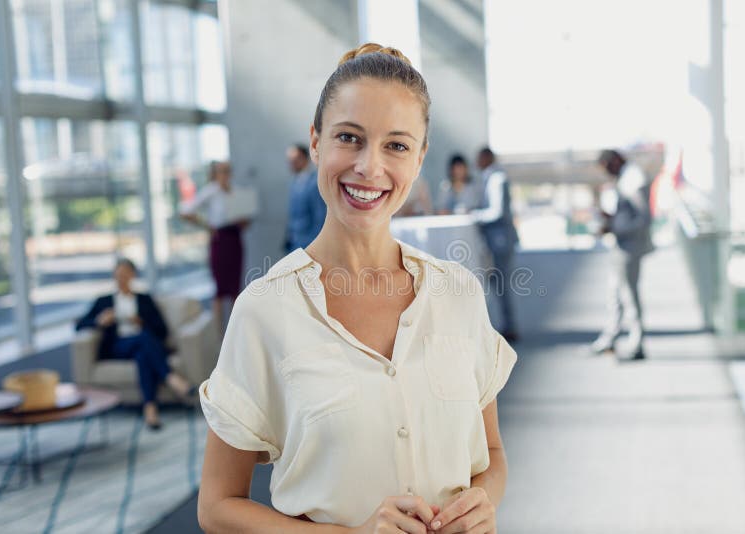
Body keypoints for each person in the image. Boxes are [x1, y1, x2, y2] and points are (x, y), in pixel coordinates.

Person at [197, 43, 517, 533]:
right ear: (316, 142)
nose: (370, 167)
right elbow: (217, 507)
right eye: (350, 137)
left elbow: (491, 454)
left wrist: (482, 500)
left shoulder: (459, 294)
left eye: (397, 145)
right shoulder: (264, 310)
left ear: (420, 157)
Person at [75, 258, 193, 430]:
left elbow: (162, 330)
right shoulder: (104, 301)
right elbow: (79, 325)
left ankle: (150, 409)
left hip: (143, 346)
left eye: (125, 274)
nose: (121, 278)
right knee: (143, 339)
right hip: (118, 346)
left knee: (143, 354)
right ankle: (171, 377)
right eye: (118, 275)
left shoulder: (144, 300)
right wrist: (99, 321)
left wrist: (141, 321)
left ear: (132, 275)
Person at [590, 149, 653, 361]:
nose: (607, 173)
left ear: (615, 161)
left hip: (630, 246)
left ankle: (637, 344)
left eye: (607, 168)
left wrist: (615, 227)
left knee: (629, 296)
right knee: (614, 294)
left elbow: (643, 217)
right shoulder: (623, 178)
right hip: (620, 244)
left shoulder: (633, 178)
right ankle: (611, 337)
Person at [180, 160, 250, 336]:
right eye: (221, 171)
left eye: (227, 171)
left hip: (235, 239)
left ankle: (236, 334)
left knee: (235, 287)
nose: (225, 175)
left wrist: (243, 221)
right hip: (220, 240)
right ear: (215, 173)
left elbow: (246, 222)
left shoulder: (237, 191)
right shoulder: (210, 191)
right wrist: (206, 226)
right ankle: (219, 337)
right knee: (220, 289)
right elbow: (186, 211)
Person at [470, 147, 519, 342]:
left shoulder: (497, 179)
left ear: (486, 158)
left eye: (479, 158)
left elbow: (497, 211)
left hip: (500, 240)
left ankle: (510, 326)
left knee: (502, 284)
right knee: (497, 283)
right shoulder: (489, 177)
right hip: (496, 239)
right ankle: (506, 324)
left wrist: (475, 216)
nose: (476, 162)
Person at [283, 144, 327, 253]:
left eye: (295, 159)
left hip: (308, 243)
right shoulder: (295, 182)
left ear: (304, 158)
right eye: (289, 160)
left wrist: (314, 246)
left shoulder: (314, 183)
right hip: (294, 242)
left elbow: (319, 217)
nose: (291, 164)